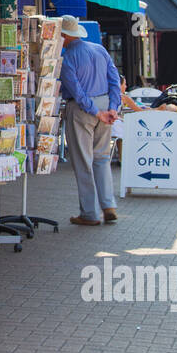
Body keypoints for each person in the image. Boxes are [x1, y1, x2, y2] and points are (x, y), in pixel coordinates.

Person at [57, 15, 121, 226]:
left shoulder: (68, 59)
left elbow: (77, 91)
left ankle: (90, 213)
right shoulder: (99, 49)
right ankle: (108, 205)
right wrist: (112, 107)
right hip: (105, 105)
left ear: (64, 35)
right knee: (101, 158)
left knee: (83, 161)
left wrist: (96, 111)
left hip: (83, 111)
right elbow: (114, 79)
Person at [110, 76, 144, 164]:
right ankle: (124, 158)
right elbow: (139, 110)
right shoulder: (123, 97)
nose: (126, 86)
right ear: (119, 85)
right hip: (115, 126)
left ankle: (121, 157)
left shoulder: (107, 94)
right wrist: (157, 109)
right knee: (129, 128)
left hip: (107, 124)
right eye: (124, 84)